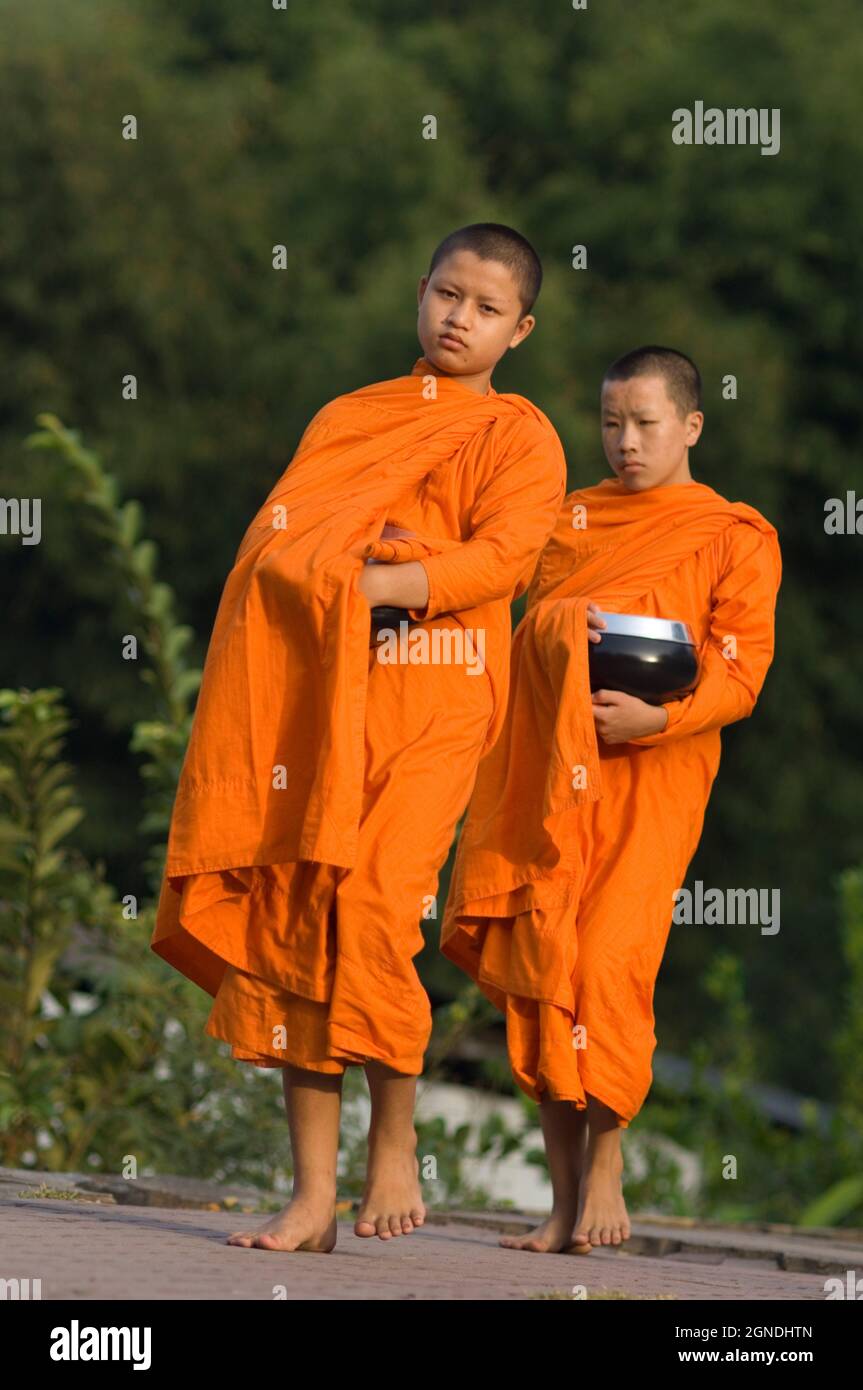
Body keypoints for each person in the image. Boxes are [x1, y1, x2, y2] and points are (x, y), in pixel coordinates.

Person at [150, 223, 567, 1251]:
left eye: (483, 307)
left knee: (379, 900)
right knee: (302, 915)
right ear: (418, 293)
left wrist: (385, 575)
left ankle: (392, 1133)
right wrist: (340, 575)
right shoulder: (350, 416)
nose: (456, 318)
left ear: (519, 329)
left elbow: (505, 560)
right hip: (325, 703)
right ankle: (308, 1198)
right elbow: (275, 546)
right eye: (445, 294)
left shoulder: (519, 436)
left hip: (437, 705)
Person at [440, 345, 782, 1255]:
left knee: (608, 960)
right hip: (554, 774)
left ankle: (608, 1166)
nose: (625, 443)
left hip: (654, 776)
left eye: (646, 425)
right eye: (611, 424)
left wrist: (654, 721)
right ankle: (560, 1204)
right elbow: (510, 616)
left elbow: (740, 671)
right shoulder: (573, 518)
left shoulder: (730, 534)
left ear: (691, 427)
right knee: (546, 961)